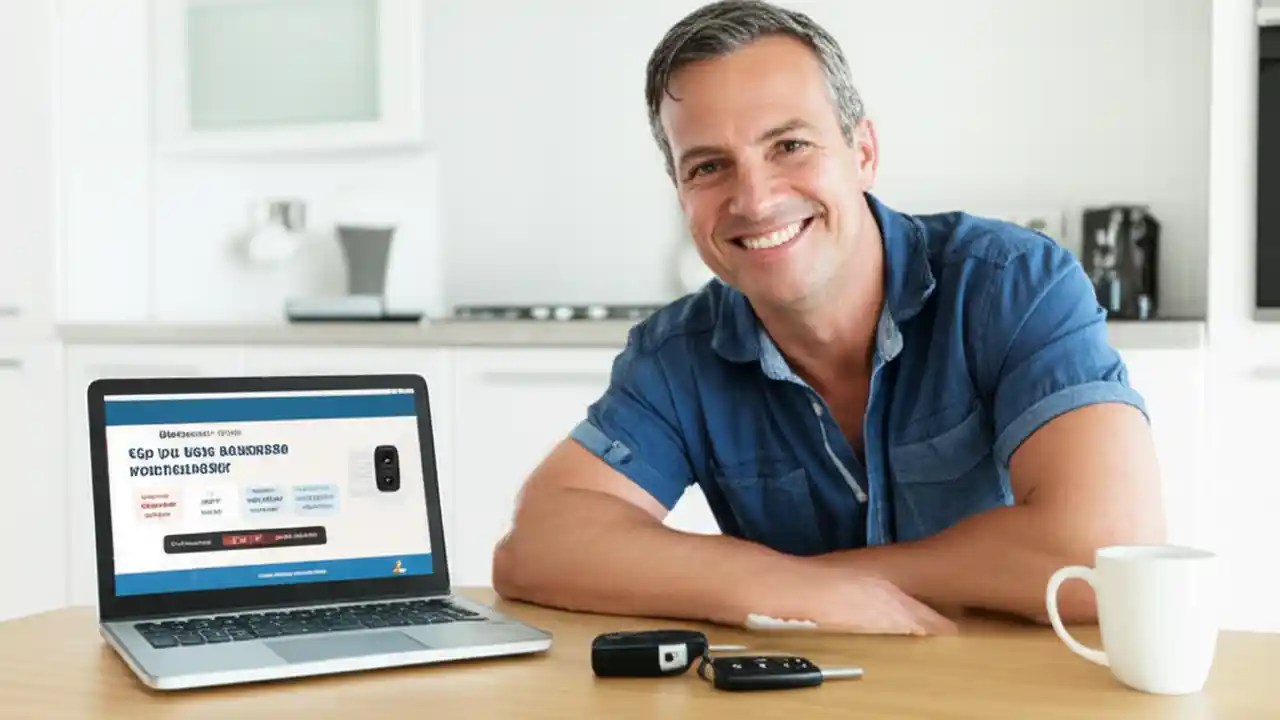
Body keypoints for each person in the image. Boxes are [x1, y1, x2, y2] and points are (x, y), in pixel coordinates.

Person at [492, 0, 1164, 635]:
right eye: (709, 166)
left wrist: (816, 585)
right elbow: (539, 545)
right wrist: (791, 593)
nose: (754, 200)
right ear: (681, 194)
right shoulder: (676, 355)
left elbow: (1109, 553)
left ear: (863, 153)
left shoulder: (1012, 286)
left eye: (788, 145)